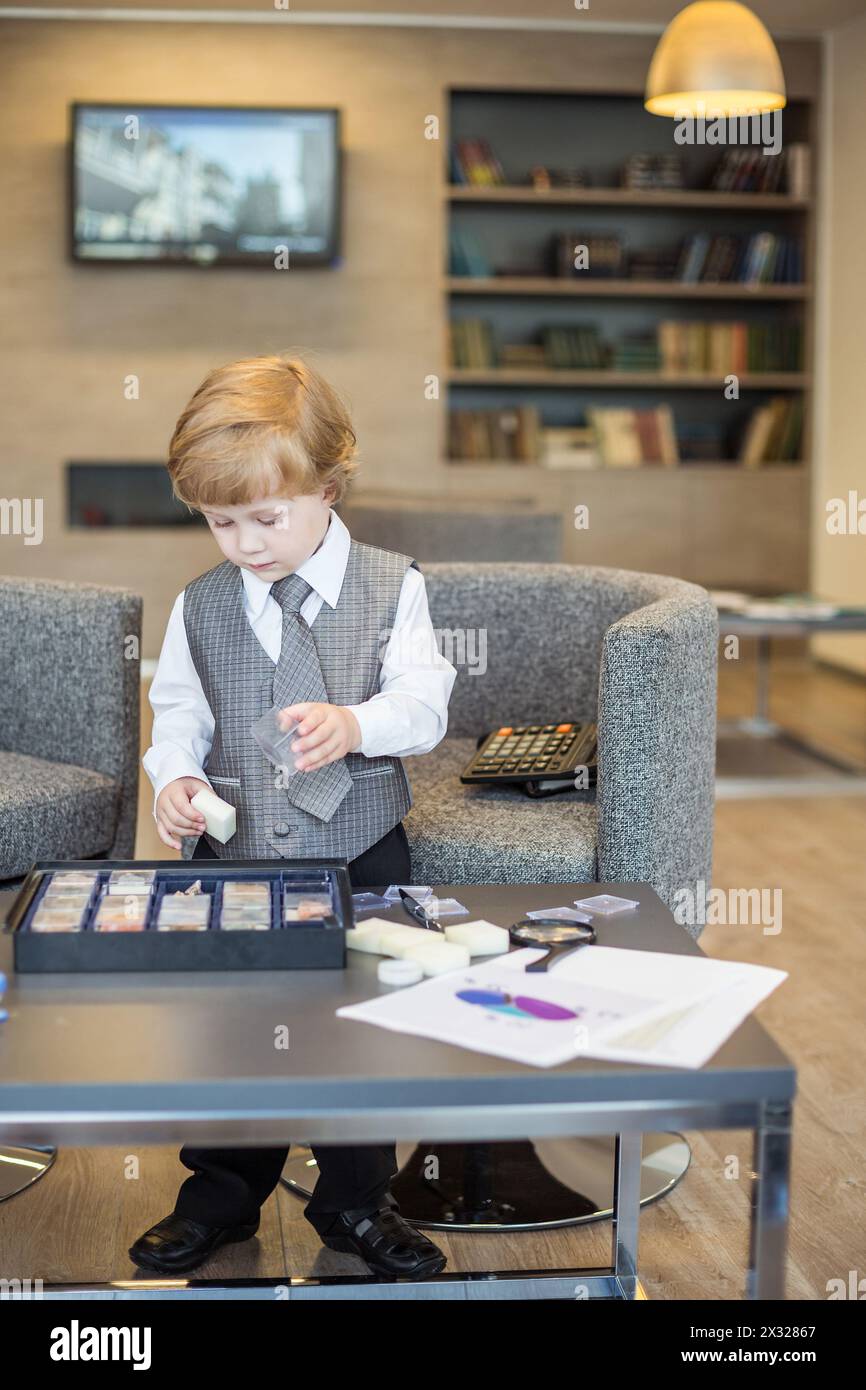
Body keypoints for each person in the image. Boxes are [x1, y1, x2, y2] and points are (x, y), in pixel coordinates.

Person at [129, 353, 456, 1279]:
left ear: (328, 489)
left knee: (357, 1022)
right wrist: (174, 779)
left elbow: (425, 705)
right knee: (233, 1025)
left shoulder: (394, 586)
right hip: (235, 854)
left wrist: (356, 724)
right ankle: (221, 1196)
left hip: (361, 847)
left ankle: (357, 1201)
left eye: (266, 518)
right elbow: (180, 716)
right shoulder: (201, 605)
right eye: (220, 521)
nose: (244, 543)